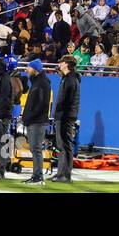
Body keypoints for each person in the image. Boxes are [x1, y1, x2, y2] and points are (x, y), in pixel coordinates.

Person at [22, 58, 52, 185]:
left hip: (37, 122)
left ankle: (38, 177)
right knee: (34, 149)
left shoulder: (43, 83)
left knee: (36, 149)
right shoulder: (36, 83)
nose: (26, 70)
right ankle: (36, 175)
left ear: (35, 70)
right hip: (33, 121)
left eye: (29, 68)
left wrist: (29, 117)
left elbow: (42, 104)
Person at [52, 54, 80, 183]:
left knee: (65, 145)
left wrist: (60, 114)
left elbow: (66, 101)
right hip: (64, 115)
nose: (60, 64)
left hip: (65, 116)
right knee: (63, 145)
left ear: (67, 64)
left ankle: (64, 174)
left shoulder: (70, 80)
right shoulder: (67, 78)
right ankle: (61, 173)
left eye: (62, 62)